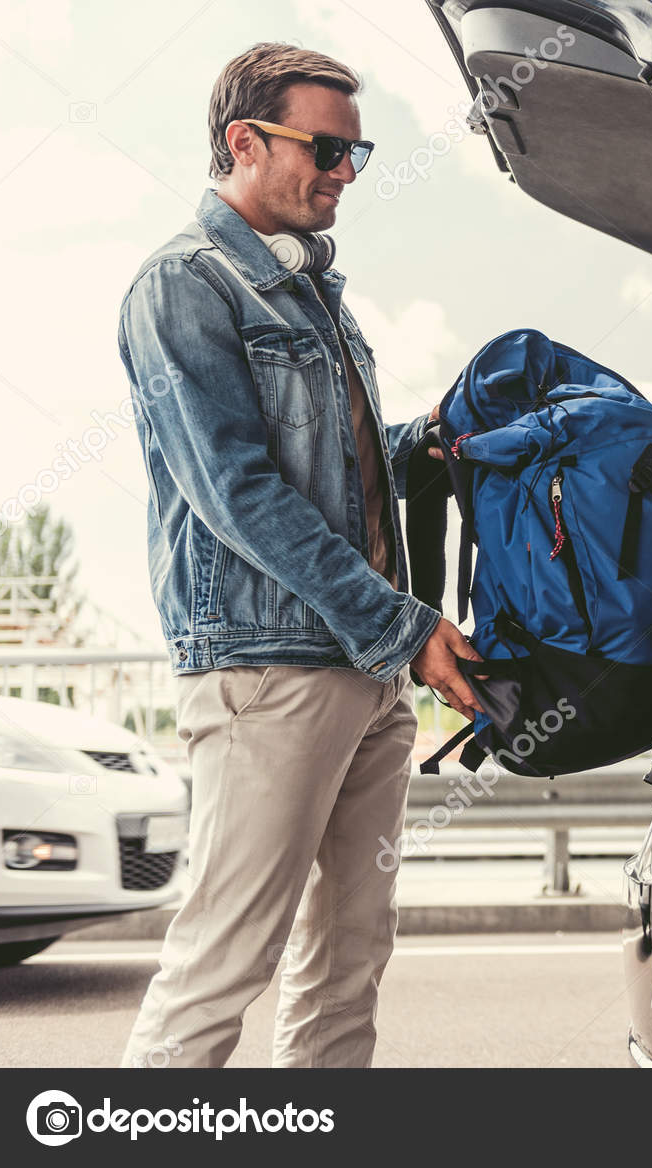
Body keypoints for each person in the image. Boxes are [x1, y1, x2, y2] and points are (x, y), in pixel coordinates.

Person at [118, 43, 482, 1067]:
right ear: (243, 141)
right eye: (325, 148)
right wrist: (407, 628)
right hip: (269, 670)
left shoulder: (318, 294)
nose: (343, 173)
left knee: (349, 957)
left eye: (354, 153)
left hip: (366, 668)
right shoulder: (184, 286)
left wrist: (429, 442)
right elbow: (236, 492)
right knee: (223, 961)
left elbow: (338, 470)